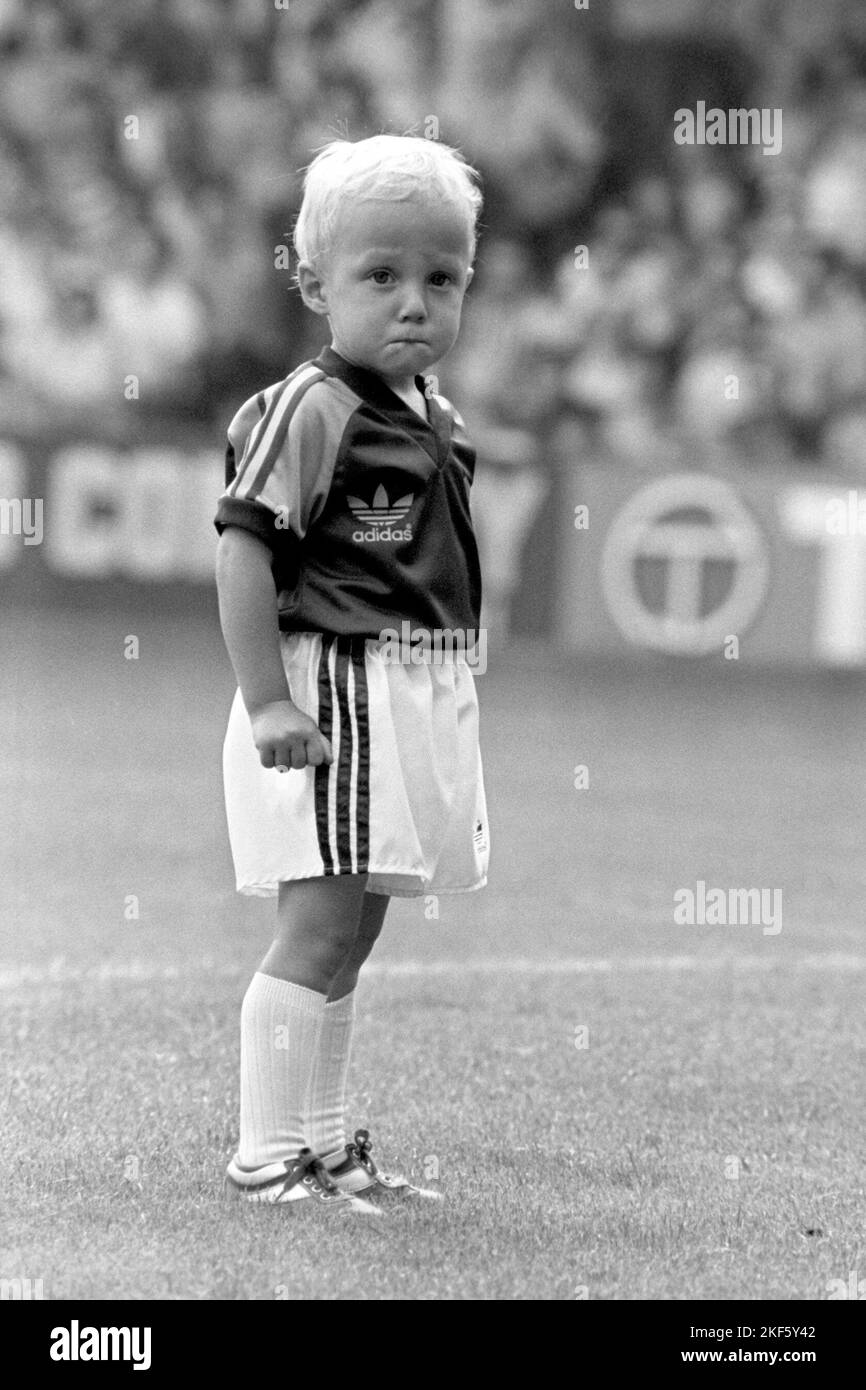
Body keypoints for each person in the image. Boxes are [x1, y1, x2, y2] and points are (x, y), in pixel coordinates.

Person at [214, 134, 489, 1213]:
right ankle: (264, 1151)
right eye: (380, 276)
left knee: (361, 925)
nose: (413, 303)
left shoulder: (438, 417)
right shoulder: (311, 406)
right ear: (312, 280)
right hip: (334, 692)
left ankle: (325, 1146)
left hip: (412, 693)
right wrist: (268, 698)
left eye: (441, 277)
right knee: (318, 922)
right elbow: (242, 547)